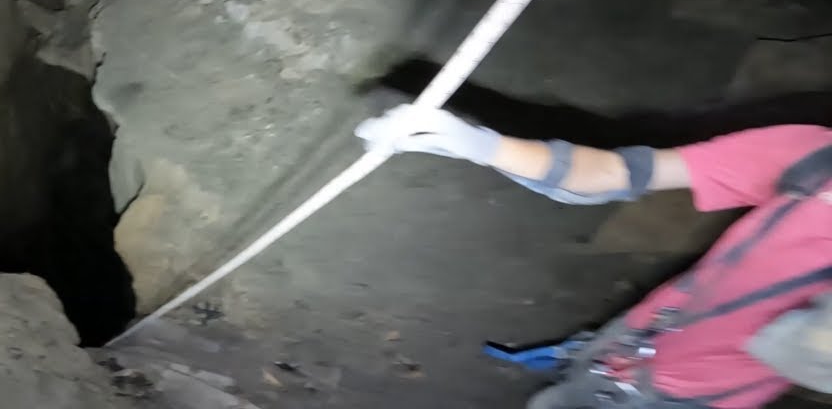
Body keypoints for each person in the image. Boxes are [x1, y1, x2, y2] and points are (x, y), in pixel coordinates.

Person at [354, 105, 832, 408]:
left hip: (692, 397)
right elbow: (617, 171)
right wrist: (482, 146)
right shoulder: (814, 156)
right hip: (632, 340)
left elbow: (797, 352)